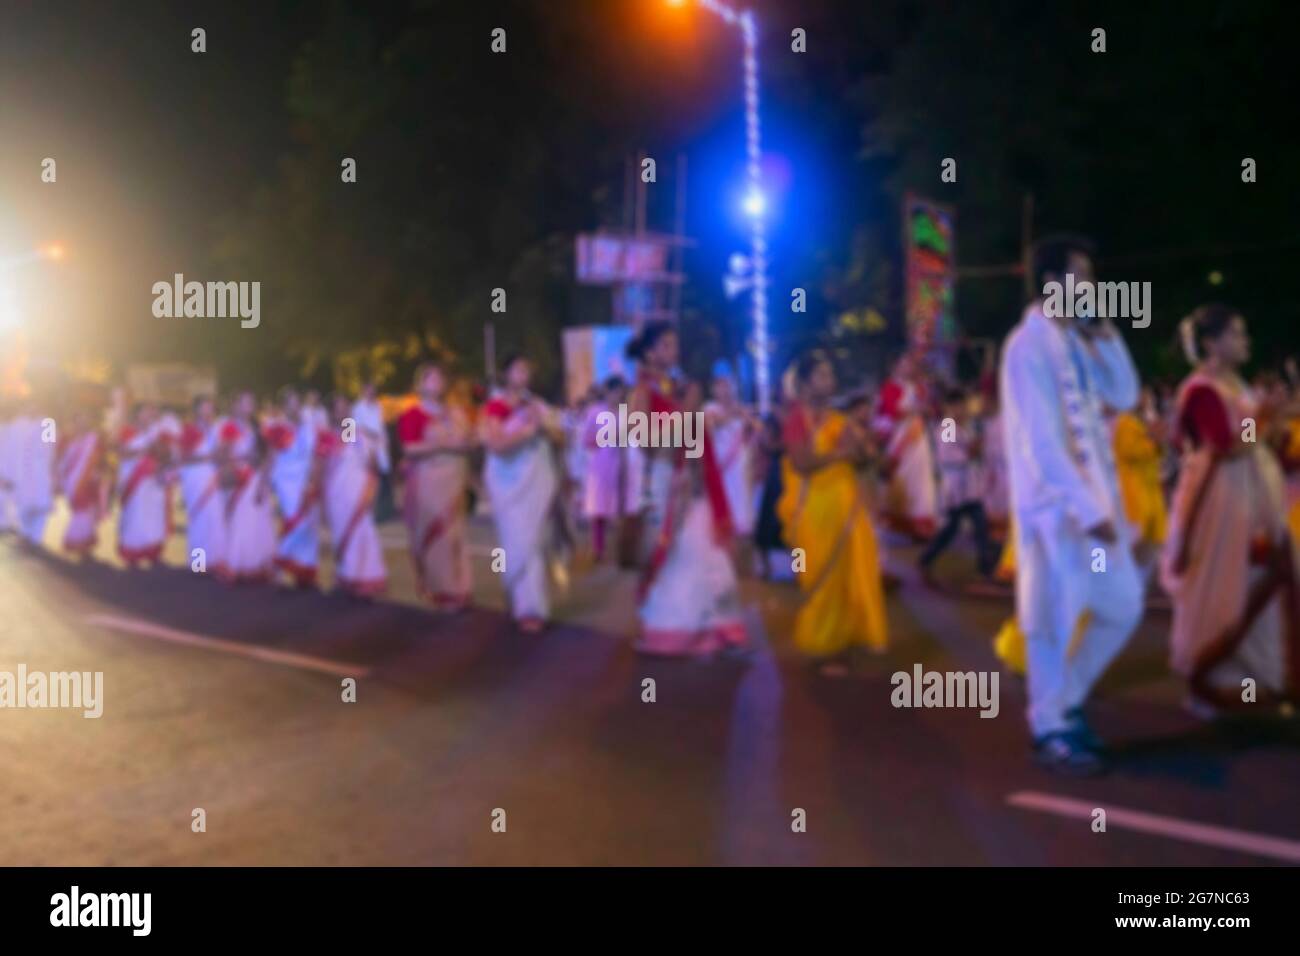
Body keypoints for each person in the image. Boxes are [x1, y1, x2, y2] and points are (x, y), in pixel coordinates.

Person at [1000, 234, 1143, 774]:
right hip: (1056, 515)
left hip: (1095, 511)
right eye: (1082, 277)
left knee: (1122, 604)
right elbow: (1040, 442)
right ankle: (1050, 728)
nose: (1091, 286)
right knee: (1053, 620)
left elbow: (1125, 395)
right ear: (1052, 282)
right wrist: (1087, 510)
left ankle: (1067, 701)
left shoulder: (1076, 342)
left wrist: (1104, 332)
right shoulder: (1027, 345)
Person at [1161, 305, 1300, 715]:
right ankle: (1208, 686)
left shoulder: (1236, 384)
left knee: (1260, 582)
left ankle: (1255, 688)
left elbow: (1255, 439)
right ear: (1211, 344)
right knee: (1223, 588)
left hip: (1253, 492)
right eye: (1236, 334)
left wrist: (1272, 421)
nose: (1245, 341)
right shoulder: (1201, 389)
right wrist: (1263, 417)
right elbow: (1227, 444)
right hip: (1220, 500)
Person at [628, 322, 747, 655]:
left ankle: (712, 628)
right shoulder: (641, 392)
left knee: (708, 552)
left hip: (692, 482)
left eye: (674, 344)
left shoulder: (676, 389)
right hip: (666, 481)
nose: (674, 351)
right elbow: (642, 441)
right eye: (665, 345)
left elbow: (692, 437)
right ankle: (672, 631)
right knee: (678, 556)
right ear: (649, 352)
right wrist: (686, 417)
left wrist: (693, 426)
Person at [778, 351, 888, 674]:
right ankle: (821, 645)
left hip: (846, 506)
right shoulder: (796, 419)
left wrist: (865, 451)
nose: (830, 381)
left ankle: (846, 635)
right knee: (822, 577)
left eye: (830, 375)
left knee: (852, 570)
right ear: (805, 384)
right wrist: (841, 454)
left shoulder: (840, 420)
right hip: (813, 508)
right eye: (822, 375)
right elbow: (801, 463)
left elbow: (865, 460)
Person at [481, 355, 564, 633]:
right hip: (508, 483)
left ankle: (532, 607)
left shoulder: (537, 405)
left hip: (534, 482)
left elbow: (559, 436)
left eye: (527, 369)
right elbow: (496, 444)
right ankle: (519, 600)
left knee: (534, 542)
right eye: (518, 369)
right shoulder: (496, 406)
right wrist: (529, 430)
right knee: (515, 540)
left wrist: (547, 428)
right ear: (506, 374)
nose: (524, 374)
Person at [398, 363, 475, 611]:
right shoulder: (412, 415)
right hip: (427, 482)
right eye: (430, 378)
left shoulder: (456, 413)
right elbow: (409, 448)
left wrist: (456, 443)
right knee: (435, 536)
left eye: (440, 378)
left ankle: (459, 588)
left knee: (455, 535)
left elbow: (468, 441)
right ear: (420, 384)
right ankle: (441, 590)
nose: (437, 382)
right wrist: (441, 444)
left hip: (454, 481)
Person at [918, 387, 997, 584]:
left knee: (977, 525)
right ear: (948, 407)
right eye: (957, 406)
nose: (961, 410)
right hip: (955, 484)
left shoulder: (963, 426)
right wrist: (971, 450)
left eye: (963, 405)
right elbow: (948, 454)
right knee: (954, 528)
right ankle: (927, 559)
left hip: (966, 483)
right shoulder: (948, 425)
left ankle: (985, 568)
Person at [319, 394, 387, 597]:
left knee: (360, 533)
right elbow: (322, 465)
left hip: (356, 490)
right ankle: (346, 576)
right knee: (341, 533)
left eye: (345, 407)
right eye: (337, 408)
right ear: (332, 413)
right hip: (335, 491)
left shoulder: (352, 431)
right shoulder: (327, 435)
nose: (341, 412)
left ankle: (362, 577)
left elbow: (365, 459)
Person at [873, 352, 938, 539]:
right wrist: (910, 411)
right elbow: (886, 413)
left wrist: (926, 411)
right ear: (895, 366)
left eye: (911, 364)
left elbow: (933, 410)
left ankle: (920, 524)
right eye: (905, 364)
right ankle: (898, 522)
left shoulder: (919, 388)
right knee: (900, 477)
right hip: (899, 439)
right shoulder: (889, 387)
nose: (909, 367)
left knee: (920, 479)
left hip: (918, 439)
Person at [265, 388, 321, 588]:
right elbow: (271, 457)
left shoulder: (309, 425)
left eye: (297, 402)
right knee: (296, 521)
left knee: (310, 525)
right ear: (283, 407)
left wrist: (314, 478)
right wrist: (264, 483)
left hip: (306, 478)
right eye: (290, 403)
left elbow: (314, 453)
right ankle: (279, 561)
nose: (294, 406)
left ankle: (305, 571)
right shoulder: (278, 427)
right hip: (286, 480)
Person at [219, 391, 276, 583]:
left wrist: (263, 481)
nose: (248, 405)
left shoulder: (260, 427)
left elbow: (269, 455)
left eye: (251, 402)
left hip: (256, 480)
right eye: (244, 402)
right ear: (236, 404)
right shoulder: (229, 427)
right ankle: (236, 565)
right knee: (240, 523)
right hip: (239, 479)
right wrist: (238, 463)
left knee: (258, 523)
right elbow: (224, 456)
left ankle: (257, 565)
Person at [1111, 387, 1168, 579]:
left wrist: (1156, 439)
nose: (1146, 399)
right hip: (1132, 494)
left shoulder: (1139, 421)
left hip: (1147, 493)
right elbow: (1131, 451)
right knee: (1118, 550)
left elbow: (1156, 453)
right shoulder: (1124, 422)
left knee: (1147, 551)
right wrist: (1153, 438)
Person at [177, 395, 229, 578]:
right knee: (199, 521)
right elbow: (183, 458)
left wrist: (222, 455)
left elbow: (220, 456)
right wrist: (209, 457)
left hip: (212, 477)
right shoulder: (189, 430)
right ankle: (198, 564)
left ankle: (214, 560)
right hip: (195, 478)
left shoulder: (216, 429)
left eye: (210, 407)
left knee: (214, 520)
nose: (208, 410)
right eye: (205, 407)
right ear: (196, 409)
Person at [704, 369, 759, 543]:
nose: (725, 389)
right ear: (713, 389)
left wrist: (748, 420)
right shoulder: (710, 408)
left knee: (743, 517)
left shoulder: (742, 410)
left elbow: (754, 434)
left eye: (728, 385)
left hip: (740, 468)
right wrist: (735, 413)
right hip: (720, 468)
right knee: (723, 512)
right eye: (721, 385)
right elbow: (711, 426)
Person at [115, 404, 169, 567]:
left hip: (152, 477)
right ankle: (132, 552)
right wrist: (144, 450)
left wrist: (159, 447)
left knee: (154, 514)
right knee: (135, 514)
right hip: (133, 476)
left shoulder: (155, 432)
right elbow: (122, 453)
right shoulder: (127, 431)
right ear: (137, 415)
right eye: (145, 413)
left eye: (149, 413)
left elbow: (163, 454)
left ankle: (152, 551)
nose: (148, 415)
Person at [582, 378, 624, 562]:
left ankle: (619, 548)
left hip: (619, 464)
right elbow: (586, 439)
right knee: (599, 509)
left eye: (620, 392)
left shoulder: (623, 414)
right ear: (607, 392)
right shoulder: (595, 412)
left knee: (616, 508)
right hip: (599, 465)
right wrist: (603, 439)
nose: (617, 396)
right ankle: (598, 548)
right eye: (614, 392)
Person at [57, 408, 106, 557]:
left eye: (85, 420)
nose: (82, 423)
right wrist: (58, 478)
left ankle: (81, 541)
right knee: (80, 509)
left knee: (87, 510)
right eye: (79, 420)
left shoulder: (94, 438)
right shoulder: (69, 440)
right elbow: (62, 459)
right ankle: (80, 541)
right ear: (74, 423)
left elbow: (102, 457)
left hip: (90, 479)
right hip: (72, 480)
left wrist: (99, 473)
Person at [11, 396, 56, 548]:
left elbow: (50, 448)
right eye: (28, 405)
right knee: (23, 505)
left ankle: (36, 538)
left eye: (34, 404)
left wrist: (50, 469)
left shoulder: (47, 423)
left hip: (41, 470)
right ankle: (25, 534)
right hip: (21, 470)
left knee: (40, 506)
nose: (31, 408)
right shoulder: (19, 423)